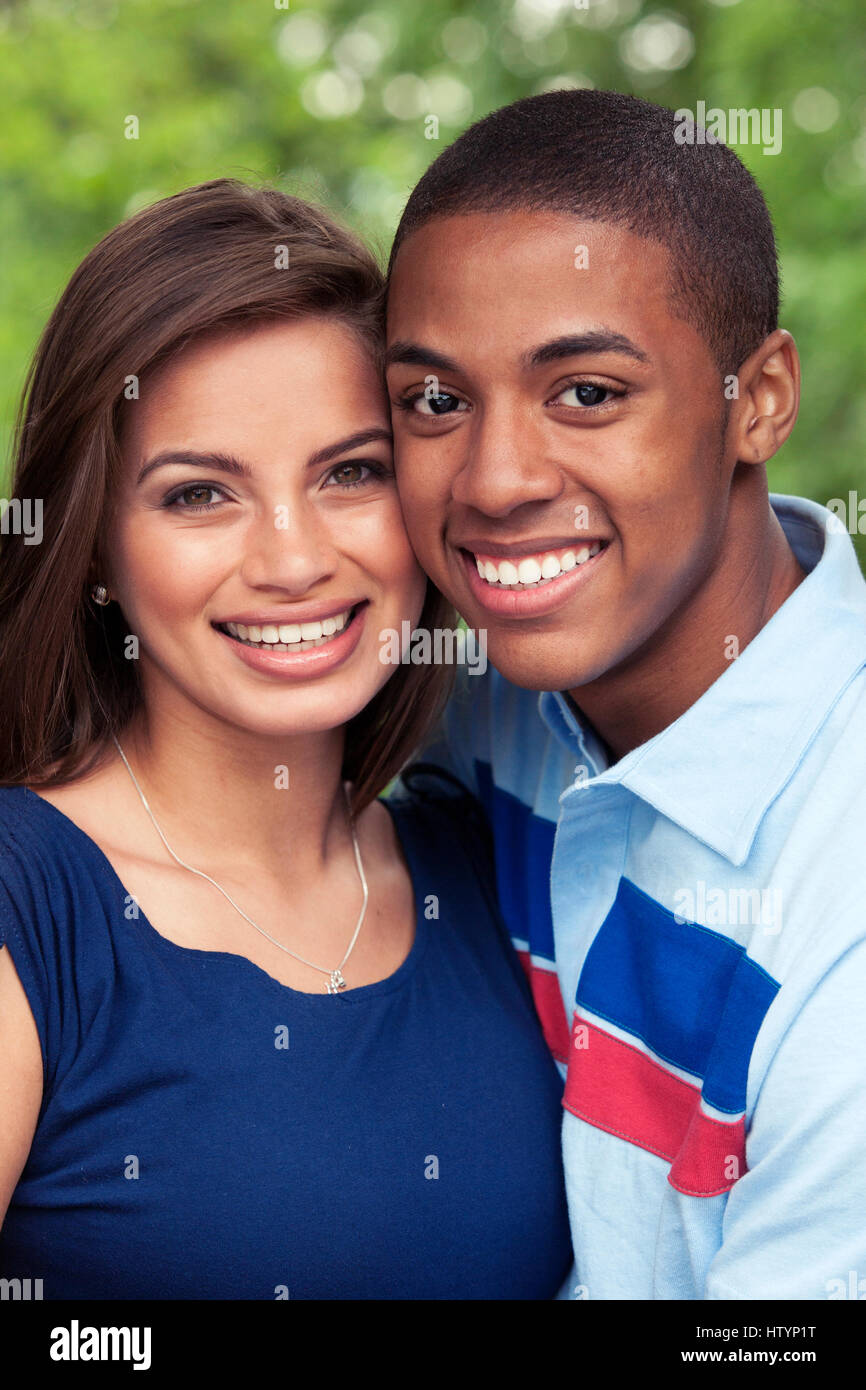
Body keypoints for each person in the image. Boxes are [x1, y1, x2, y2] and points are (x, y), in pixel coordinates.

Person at [0, 179, 573, 1299]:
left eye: (348, 472)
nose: (292, 558)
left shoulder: (490, 859)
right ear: (99, 552)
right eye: (199, 494)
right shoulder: (30, 904)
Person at [384, 89, 866, 1300]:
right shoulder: (471, 691)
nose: (493, 482)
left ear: (753, 401)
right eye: (435, 401)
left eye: (586, 392)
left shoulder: (839, 899)